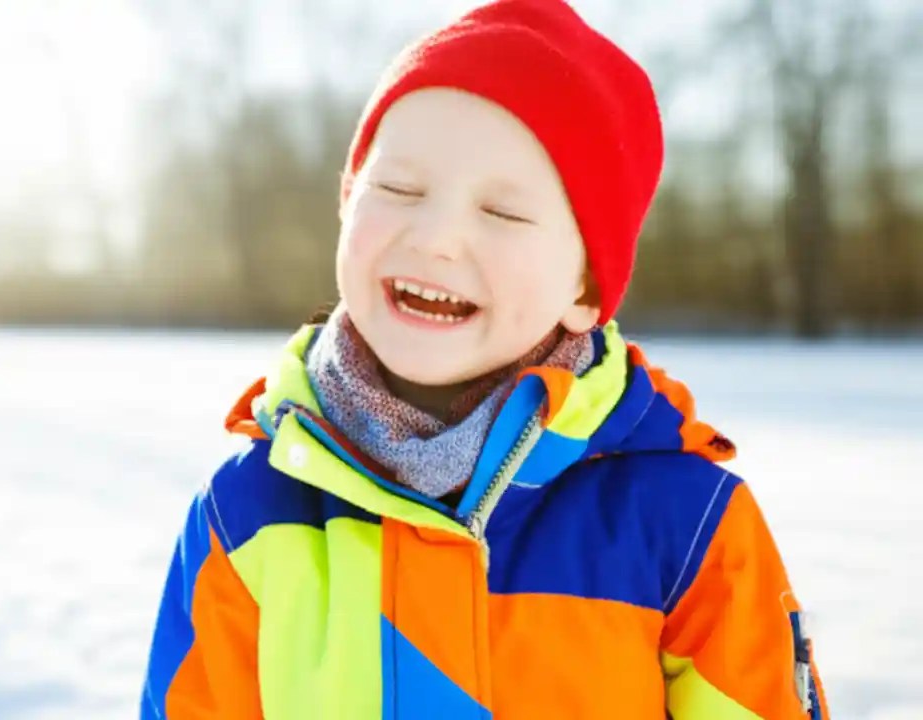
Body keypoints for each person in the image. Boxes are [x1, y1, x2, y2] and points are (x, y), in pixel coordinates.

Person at [140, 1, 827, 717]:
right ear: (348, 205)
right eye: (399, 189)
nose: (435, 238)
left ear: (586, 290)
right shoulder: (247, 514)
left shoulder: (686, 528)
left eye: (501, 213)